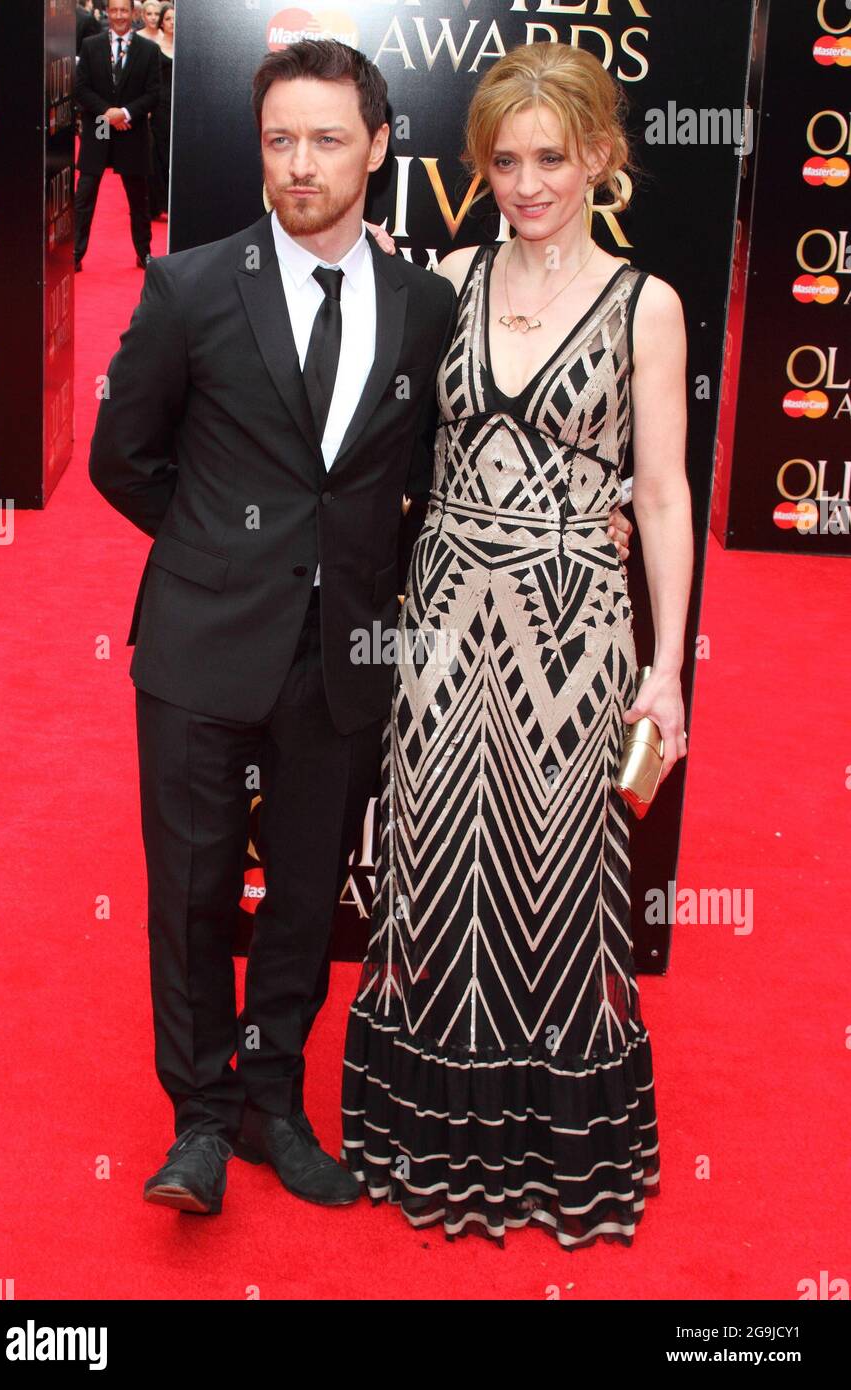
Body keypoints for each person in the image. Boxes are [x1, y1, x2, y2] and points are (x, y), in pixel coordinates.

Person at [88, 39, 633, 1219]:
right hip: (198, 645)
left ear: (378, 148)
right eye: (279, 138)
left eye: (327, 139)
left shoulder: (425, 302)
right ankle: (196, 1119)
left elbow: (447, 466)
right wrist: (217, 554)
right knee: (186, 892)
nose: (298, 163)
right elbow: (120, 458)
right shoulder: (188, 286)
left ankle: (274, 1102)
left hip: (346, 659)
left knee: (298, 895)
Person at [340, 40, 693, 1249]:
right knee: (435, 860)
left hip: (574, 625)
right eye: (505, 161)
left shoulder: (646, 305)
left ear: (600, 157)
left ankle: (550, 1161)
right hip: (441, 617)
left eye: (552, 157)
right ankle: (427, 1141)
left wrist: (665, 668)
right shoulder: (448, 276)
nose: (528, 183)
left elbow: (659, 497)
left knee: (554, 876)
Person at [74, 0, 160, 272]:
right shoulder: (90, 46)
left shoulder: (149, 50)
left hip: (132, 132)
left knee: (138, 199)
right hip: (98, 128)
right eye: (115, 10)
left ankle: (144, 253)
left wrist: (125, 113)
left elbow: (154, 94)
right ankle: (75, 253)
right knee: (84, 195)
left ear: (133, 13)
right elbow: (81, 88)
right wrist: (108, 113)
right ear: (108, 13)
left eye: (125, 10)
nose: (120, 16)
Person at [147, 4, 174, 220]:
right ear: (162, 23)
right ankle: (162, 202)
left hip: (182, 106)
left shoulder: (186, 46)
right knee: (161, 154)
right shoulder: (155, 48)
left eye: (175, 18)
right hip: (161, 106)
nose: (172, 22)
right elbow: (151, 81)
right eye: (168, 19)